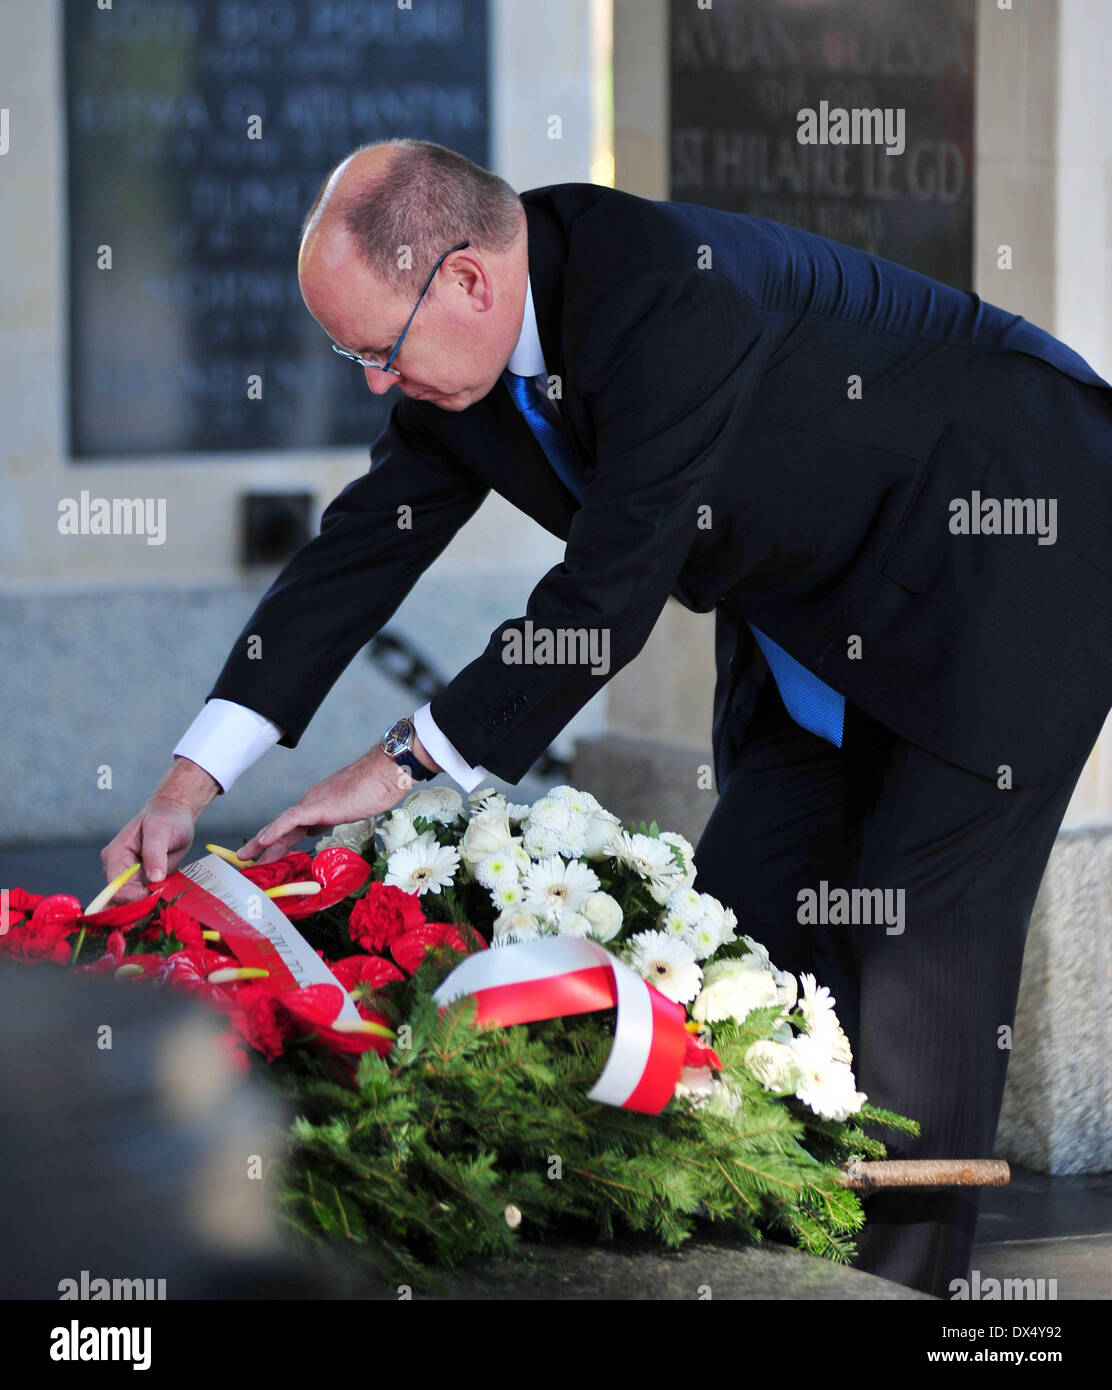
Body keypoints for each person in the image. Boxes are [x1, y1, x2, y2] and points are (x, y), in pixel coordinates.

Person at [102, 138, 1112, 1298]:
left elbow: (602, 596)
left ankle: (898, 1292)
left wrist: (401, 764)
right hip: (811, 617)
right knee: (731, 937)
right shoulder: (459, 368)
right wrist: (191, 783)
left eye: (375, 351)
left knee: (917, 965)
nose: (373, 383)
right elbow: (355, 553)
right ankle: (759, 1259)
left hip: (997, 569)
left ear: (467, 280)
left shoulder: (661, 292)